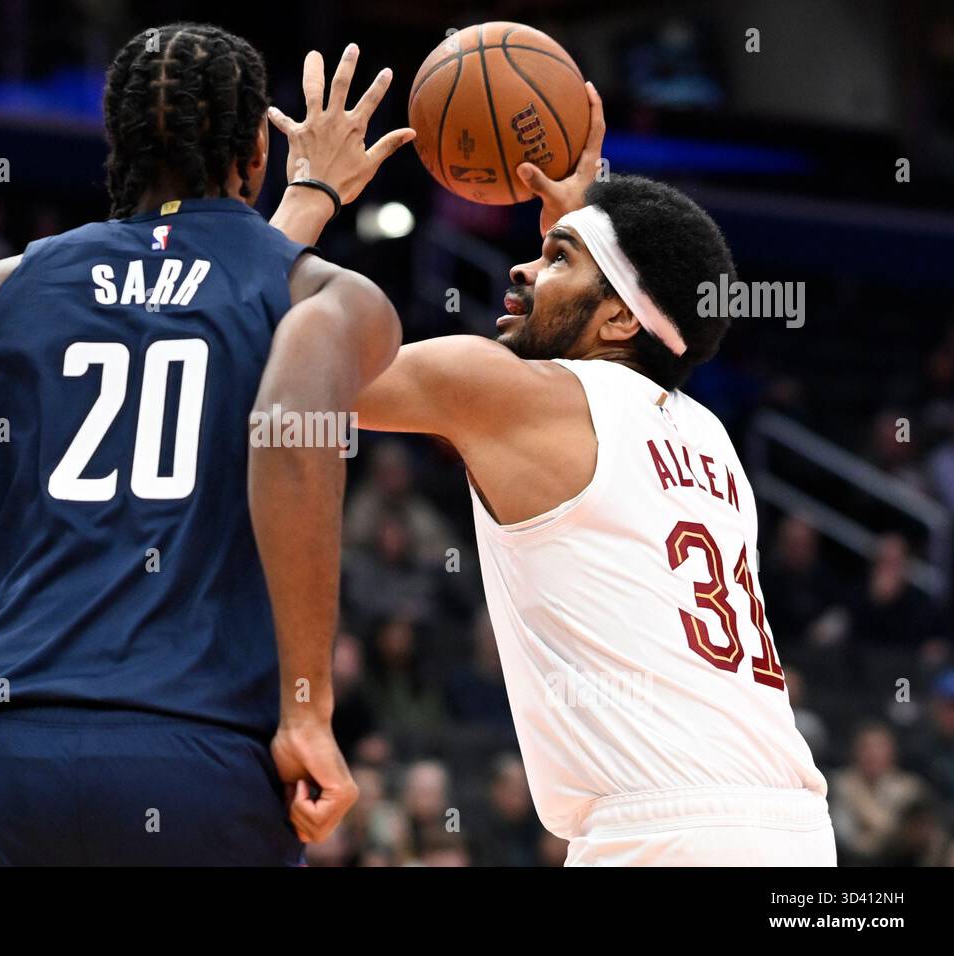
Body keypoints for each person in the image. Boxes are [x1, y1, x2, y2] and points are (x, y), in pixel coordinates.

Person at [0, 24, 410, 865]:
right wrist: (306, 708)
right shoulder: (324, 294)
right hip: (195, 758)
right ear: (255, 159)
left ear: (114, 148)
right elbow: (285, 415)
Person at [276, 83, 835, 865]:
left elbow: (278, 361)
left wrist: (310, 193)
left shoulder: (504, 391)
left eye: (555, 259)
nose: (520, 267)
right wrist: (579, 228)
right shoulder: (711, 438)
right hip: (792, 831)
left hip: (663, 838)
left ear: (617, 320)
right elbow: (614, 349)